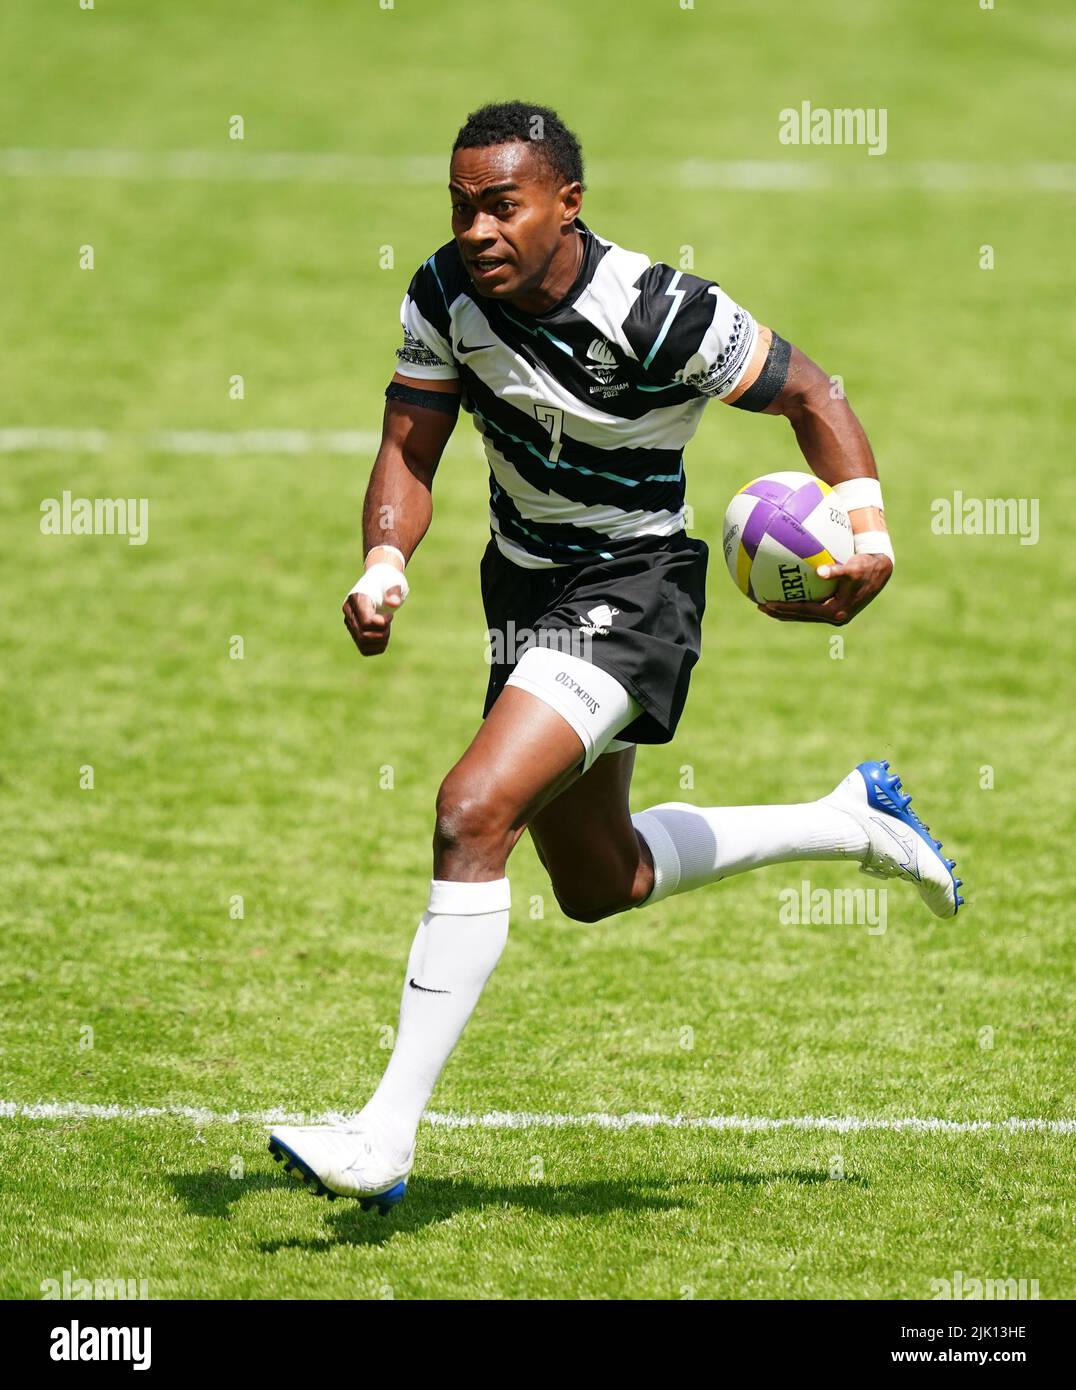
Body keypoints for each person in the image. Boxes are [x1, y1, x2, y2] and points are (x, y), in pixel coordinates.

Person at [269, 102, 962, 1209]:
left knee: (469, 810)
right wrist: (384, 560)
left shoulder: (661, 311)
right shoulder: (443, 295)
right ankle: (852, 821)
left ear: (565, 205)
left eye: (501, 205)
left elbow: (810, 394)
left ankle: (382, 1136)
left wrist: (867, 530)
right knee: (598, 881)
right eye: (461, 206)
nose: (477, 229)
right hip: (521, 588)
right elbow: (410, 443)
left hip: (630, 594)